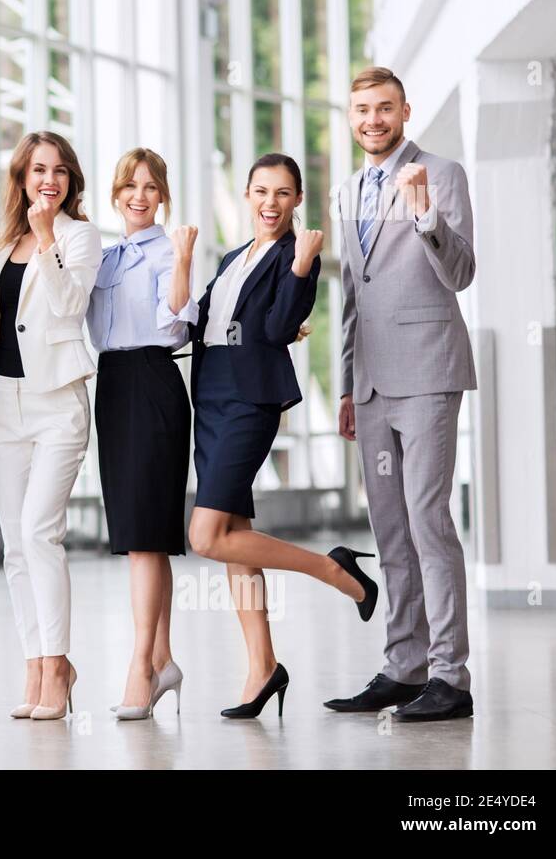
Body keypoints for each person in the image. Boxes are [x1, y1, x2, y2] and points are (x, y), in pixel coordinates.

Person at [186, 152, 375, 719]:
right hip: (211, 396)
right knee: (234, 536)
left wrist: (300, 267)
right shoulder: (230, 258)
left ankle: (331, 567)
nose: (271, 203)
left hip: (250, 399)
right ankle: (263, 667)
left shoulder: (300, 254)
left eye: (283, 193)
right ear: (247, 195)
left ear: (296, 202)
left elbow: (271, 330)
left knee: (205, 536)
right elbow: (198, 324)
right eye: (262, 191)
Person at [325, 67, 477, 722]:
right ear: (352, 115)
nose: (372, 120)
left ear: (404, 111)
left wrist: (424, 216)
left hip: (429, 373)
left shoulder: (441, 174)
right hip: (374, 384)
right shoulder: (347, 190)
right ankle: (404, 666)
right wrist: (347, 386)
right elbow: (352, 296)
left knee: (428, 522)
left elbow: (462, 272)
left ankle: (450, 676)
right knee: (390, 531)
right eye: (362, 109)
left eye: (384, 108)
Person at [0, 131, 99, 720]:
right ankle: (35, 662)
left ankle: (58, 664)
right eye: (38, 170)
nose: (49, 180)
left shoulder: (79, 237)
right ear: (21, 179)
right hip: (2, 404)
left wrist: (48, 236)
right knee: (13, 546)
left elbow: (70, 306)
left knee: (39, 534)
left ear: (70, 181)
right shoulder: (0, 246)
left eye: (59, 171)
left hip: (57, 404)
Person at [84, 148, 195, 720]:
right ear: (115, 193)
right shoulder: (101, 256)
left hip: (154, 380)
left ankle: (141, 666)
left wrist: (181, 260)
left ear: (163, 195)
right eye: (130, 184)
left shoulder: (170, 251)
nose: (140, 195)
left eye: (151, 186)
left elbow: (176, 322)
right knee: (139, 532)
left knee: (146, 538)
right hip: (112, 386)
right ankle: (165, 658)